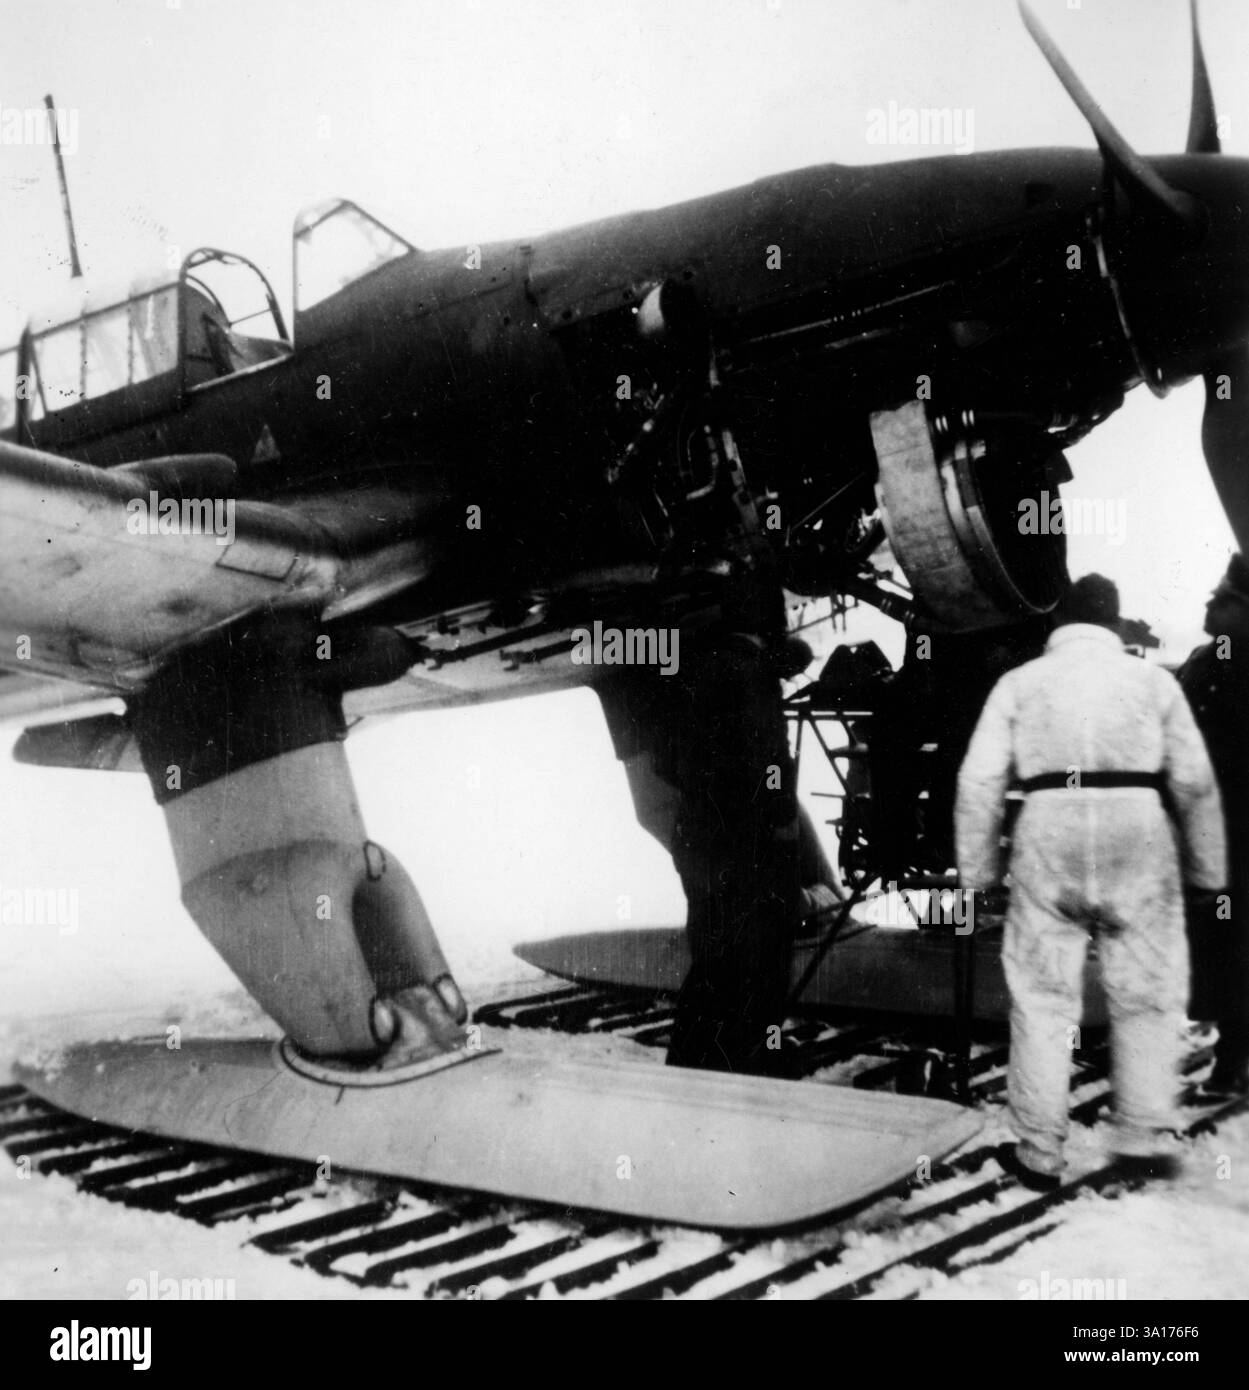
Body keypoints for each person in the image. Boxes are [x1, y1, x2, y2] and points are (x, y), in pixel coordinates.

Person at [956, 574, 1226, 1188]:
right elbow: (1193, 781)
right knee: (1148, 994)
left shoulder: (1019, 684)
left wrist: (977, 876)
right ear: (1115, 624)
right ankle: (1142, 1138)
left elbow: (978, 782)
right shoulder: (1154, 682)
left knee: (1043, 999)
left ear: (1059, 622)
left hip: (1049, 829)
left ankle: (1038, 1154)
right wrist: (1209, 872)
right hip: (1138, 828)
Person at [593, 572, 828, 1076]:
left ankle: (692, 1057)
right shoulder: (753, 673)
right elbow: (770, 762)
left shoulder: (697, 670)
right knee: (763, 958)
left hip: (698, 838)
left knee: (714, 954)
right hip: (749, 842)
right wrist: (782, 821)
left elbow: (666, 764)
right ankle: (756, 1055)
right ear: (770, 620)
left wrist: (710, 796)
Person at [1176, 555, 1249, 1096]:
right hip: (1213, 832)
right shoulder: (1204, 661)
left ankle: (1231, 1060)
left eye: (1221, 599)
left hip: (1235, 831)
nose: (1208, 605)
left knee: (1233, 942)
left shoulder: (1217, 664)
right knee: (1222, 942)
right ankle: (1231, 1053)